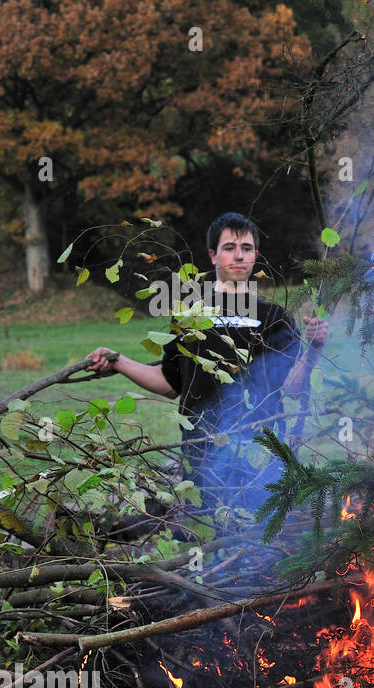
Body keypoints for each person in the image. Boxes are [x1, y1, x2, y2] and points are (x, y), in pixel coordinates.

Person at [86, 213, 329, 516]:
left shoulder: (273, 317)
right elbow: (170, 384)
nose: (239, 255)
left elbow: (293, 387)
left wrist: (315, 347)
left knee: (259, 544)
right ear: (213, 255)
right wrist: (118, 361)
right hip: (201, 452)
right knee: (204, 537)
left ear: (256, 255)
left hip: (261, 452)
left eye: (247, 247)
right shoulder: (190, 313)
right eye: (229, 247)